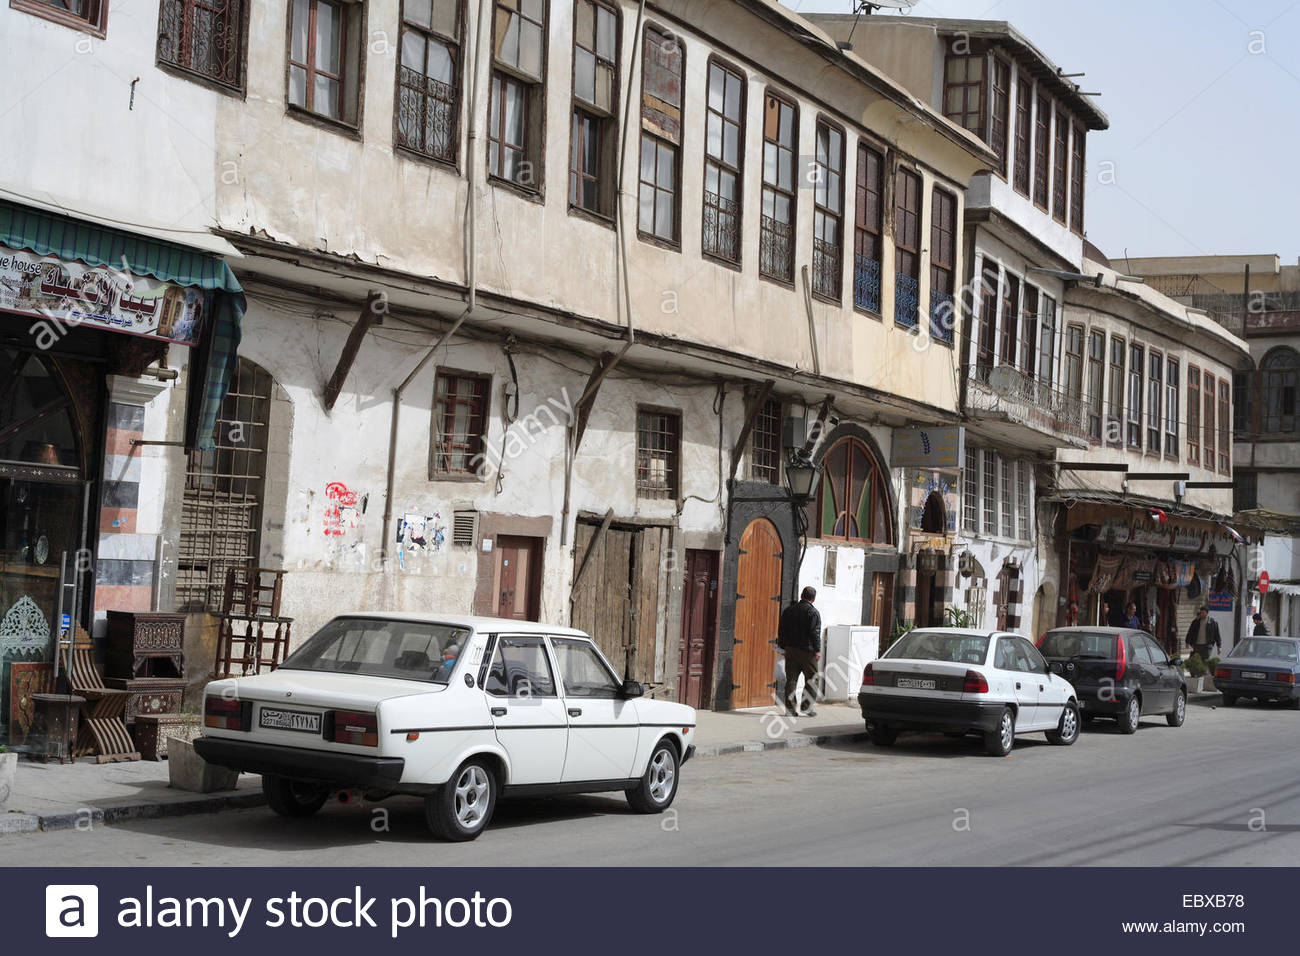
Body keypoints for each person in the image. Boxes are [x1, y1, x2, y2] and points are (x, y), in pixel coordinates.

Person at [777, 586, 821, 717]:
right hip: (808, 652)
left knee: (791, 680)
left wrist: (782, 647)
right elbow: (815, 633)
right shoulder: (813, 612)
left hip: (790, 650)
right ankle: (806, 707)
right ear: (813, 599)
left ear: (801, 596)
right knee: (813, 680)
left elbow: (781, 630)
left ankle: (790, 710)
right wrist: (817, 650)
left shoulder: (788, 611)